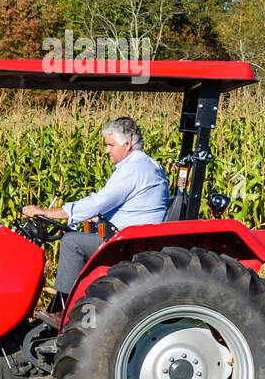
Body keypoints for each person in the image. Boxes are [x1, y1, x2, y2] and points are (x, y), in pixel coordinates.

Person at [21, 117, 168, 318]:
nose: (107, 150)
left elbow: (99, 202)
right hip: (129, 235)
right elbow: (126, 205)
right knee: (80, 234)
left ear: (127, 144)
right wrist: (97, 218)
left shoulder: (134, 169)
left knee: (72, 242)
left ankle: (67, 312)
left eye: (110, 145)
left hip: (128, 243)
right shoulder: (147, 164)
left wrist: (46, 212)